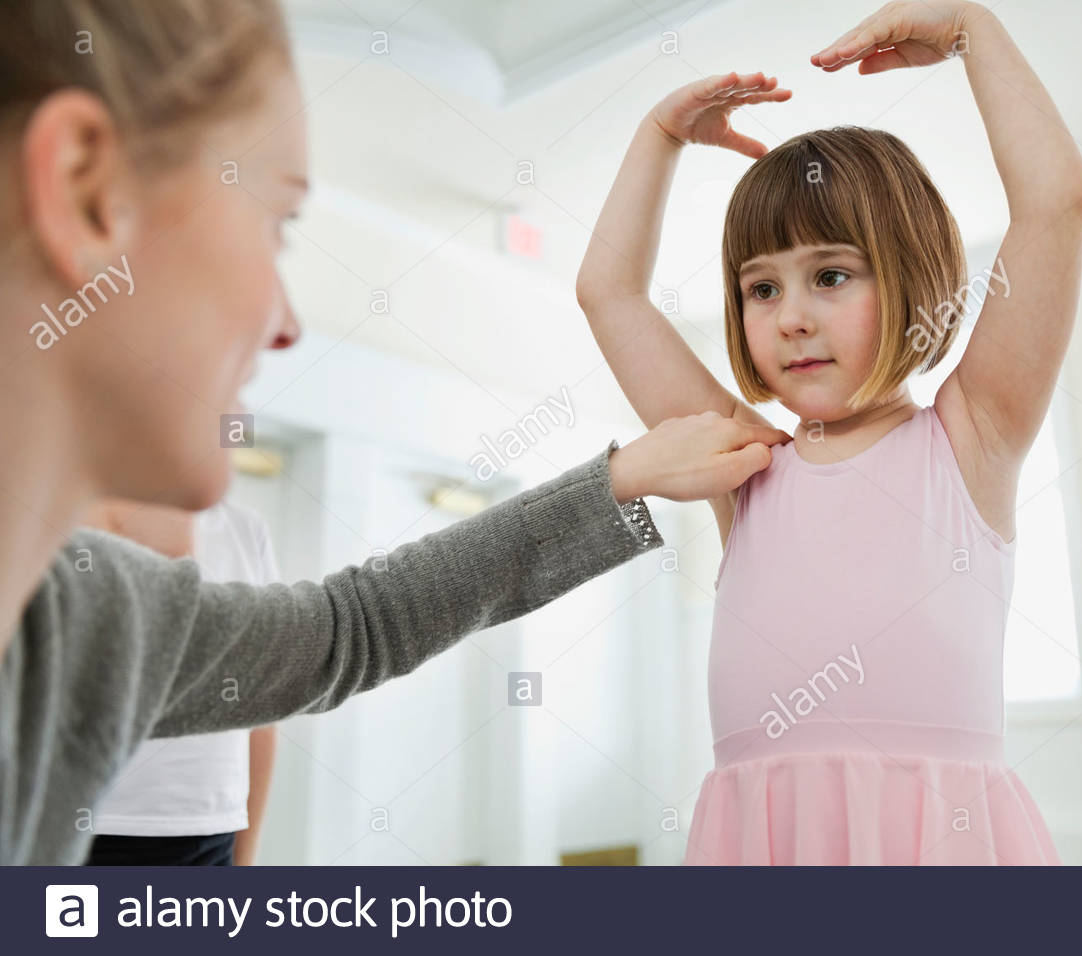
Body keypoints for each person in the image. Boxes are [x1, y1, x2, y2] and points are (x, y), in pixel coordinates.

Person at [0, 0, 791, 865]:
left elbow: (355, 627)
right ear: (85, 188)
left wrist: (616, 484)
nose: (286, 320)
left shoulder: (89, 621)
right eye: (278, 221)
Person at [575, 1, 1082, 864]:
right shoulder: (741, 462)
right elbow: (610, 294)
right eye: (761, 289)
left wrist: (970, 29)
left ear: (916, 281)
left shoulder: (973, 435)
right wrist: (658, 137)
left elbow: (1056, 202)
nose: (792, 319)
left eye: (831, 275)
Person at [80, 499, 280, 867]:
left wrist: (245, 864)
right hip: (76, 828)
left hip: (207, 834)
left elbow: (261, 717)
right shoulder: (62, 507)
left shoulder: (245, 528)